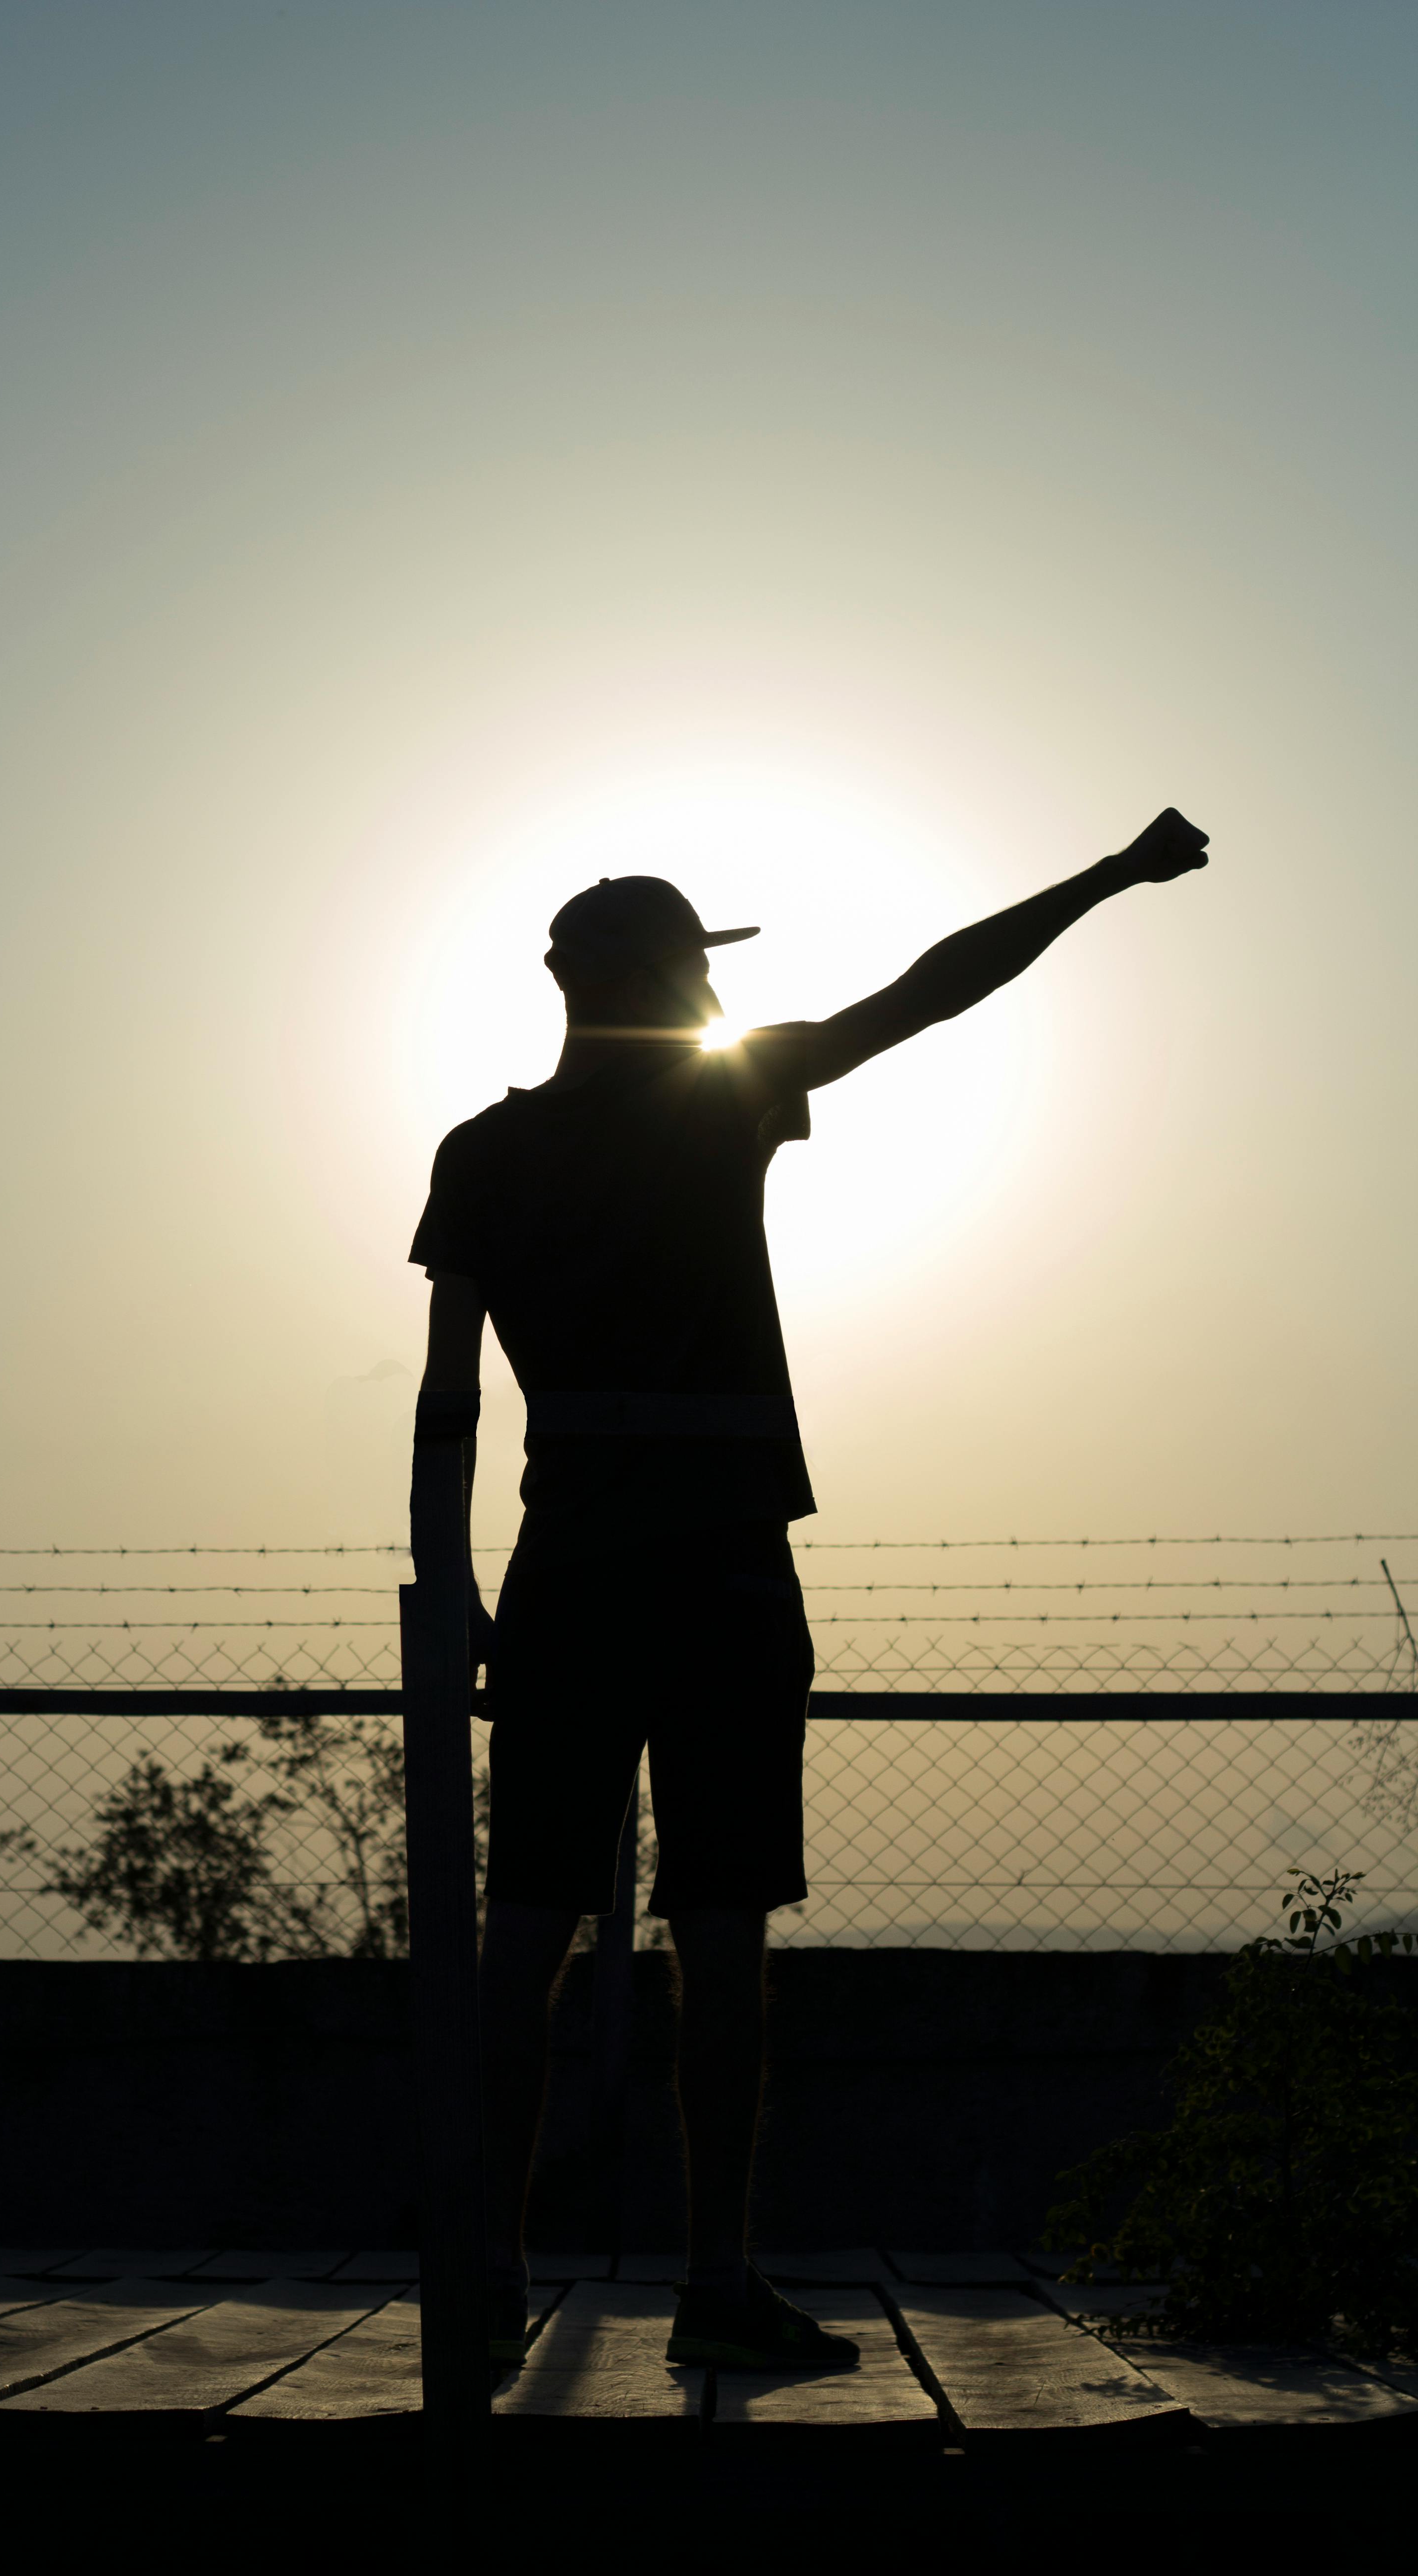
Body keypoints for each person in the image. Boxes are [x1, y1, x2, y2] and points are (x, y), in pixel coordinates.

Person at [408, 807, 1209, 2368]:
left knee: (527, 1928)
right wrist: (1108, 876)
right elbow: (932, 989)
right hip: (717, 1566)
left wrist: (449, 1586)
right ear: (662, 979)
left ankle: (488, 2279)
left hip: (564, 1567)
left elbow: (448, 1404)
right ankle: (714, 2289)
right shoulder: (730, 1098)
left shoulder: (484, 1152)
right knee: (716, 1931)